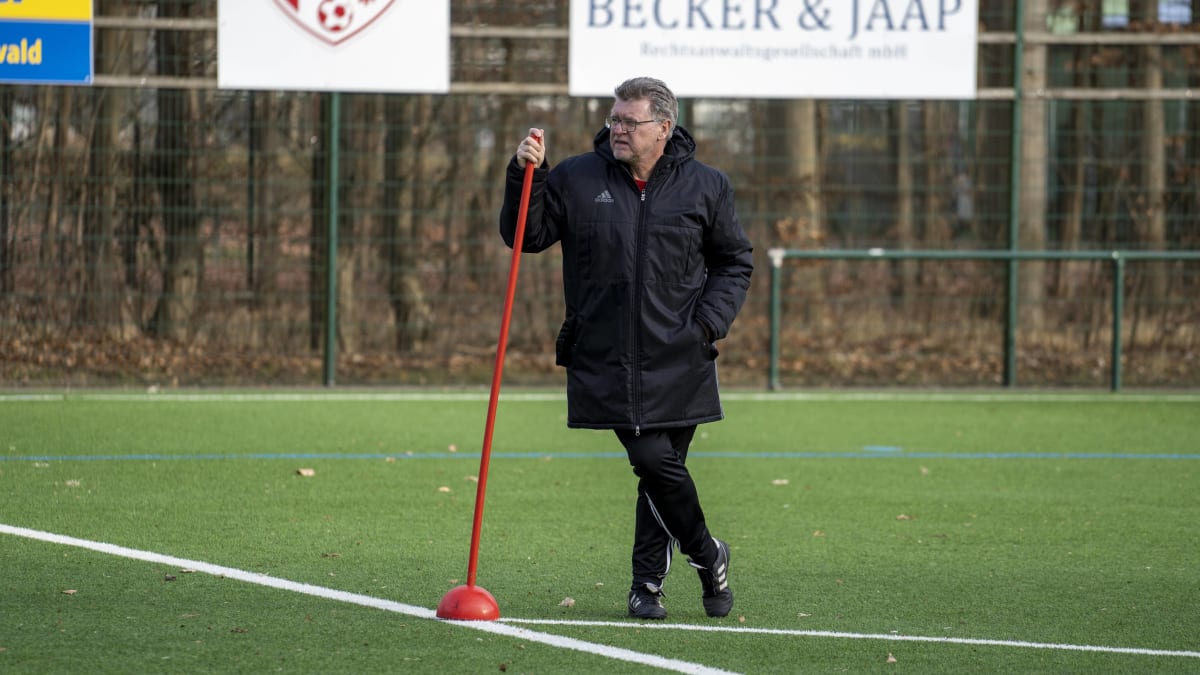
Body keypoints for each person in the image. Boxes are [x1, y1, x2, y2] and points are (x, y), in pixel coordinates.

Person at [499, 76, 753, 620]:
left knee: (660, 471)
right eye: (614, 119)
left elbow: (734, 262)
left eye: (629, 122)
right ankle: (708, 554)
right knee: (651, 459)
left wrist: (707, 324)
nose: (617, 129)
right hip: (605, 355)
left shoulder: (707, 185)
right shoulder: (576, 177)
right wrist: (526, 175)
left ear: (663, 128)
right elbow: (527, 235)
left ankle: (646, 586)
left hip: (680, 354)